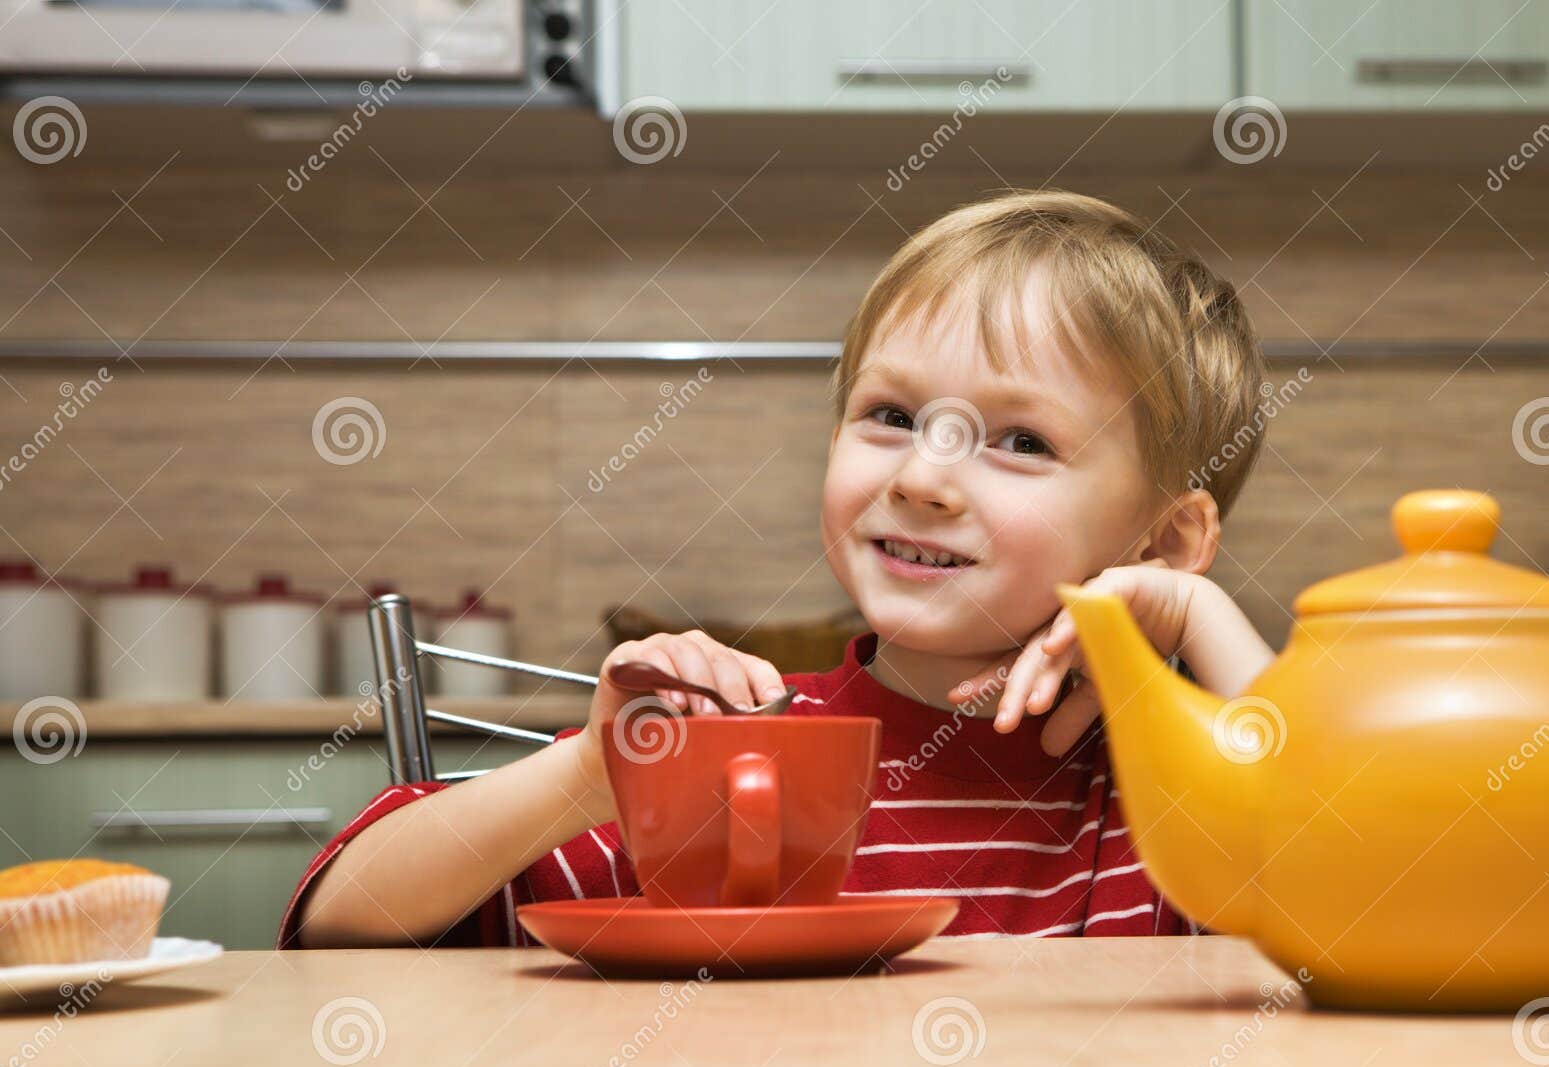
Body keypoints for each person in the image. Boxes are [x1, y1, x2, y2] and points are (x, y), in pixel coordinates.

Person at [281, 189, 1276, 949]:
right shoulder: (741, 757)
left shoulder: (1187, 791)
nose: (923, 476)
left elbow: (1391, 879)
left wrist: (1196, 619)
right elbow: (338, 922)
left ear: (1162, 541)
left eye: (1018, 440)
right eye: (889, 416)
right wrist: (595, 774)